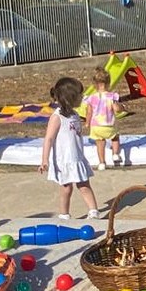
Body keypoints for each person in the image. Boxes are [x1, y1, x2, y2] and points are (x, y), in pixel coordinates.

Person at [40, 77, 102, 220]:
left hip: (77, 158)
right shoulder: (57, 117)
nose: (83, 97)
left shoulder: (74, 115)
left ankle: (93, 211)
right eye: (80, 94)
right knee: (66, 188)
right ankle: (64, 215)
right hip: (64, 161)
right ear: (70, 97)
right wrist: (45, 160)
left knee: (84, 184)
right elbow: (48, 138)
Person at [81, 68, 123, 170]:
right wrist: (120, 106)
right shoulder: (111, 96)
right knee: (115, 137)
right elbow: (117, 109)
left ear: (94, 84)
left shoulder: (91, 98)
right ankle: (115, 154)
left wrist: (87, 123)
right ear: (108, 83)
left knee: (100, 143)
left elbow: (89, 112)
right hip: (108, 125)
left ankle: (102, 163)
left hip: (96, 126)